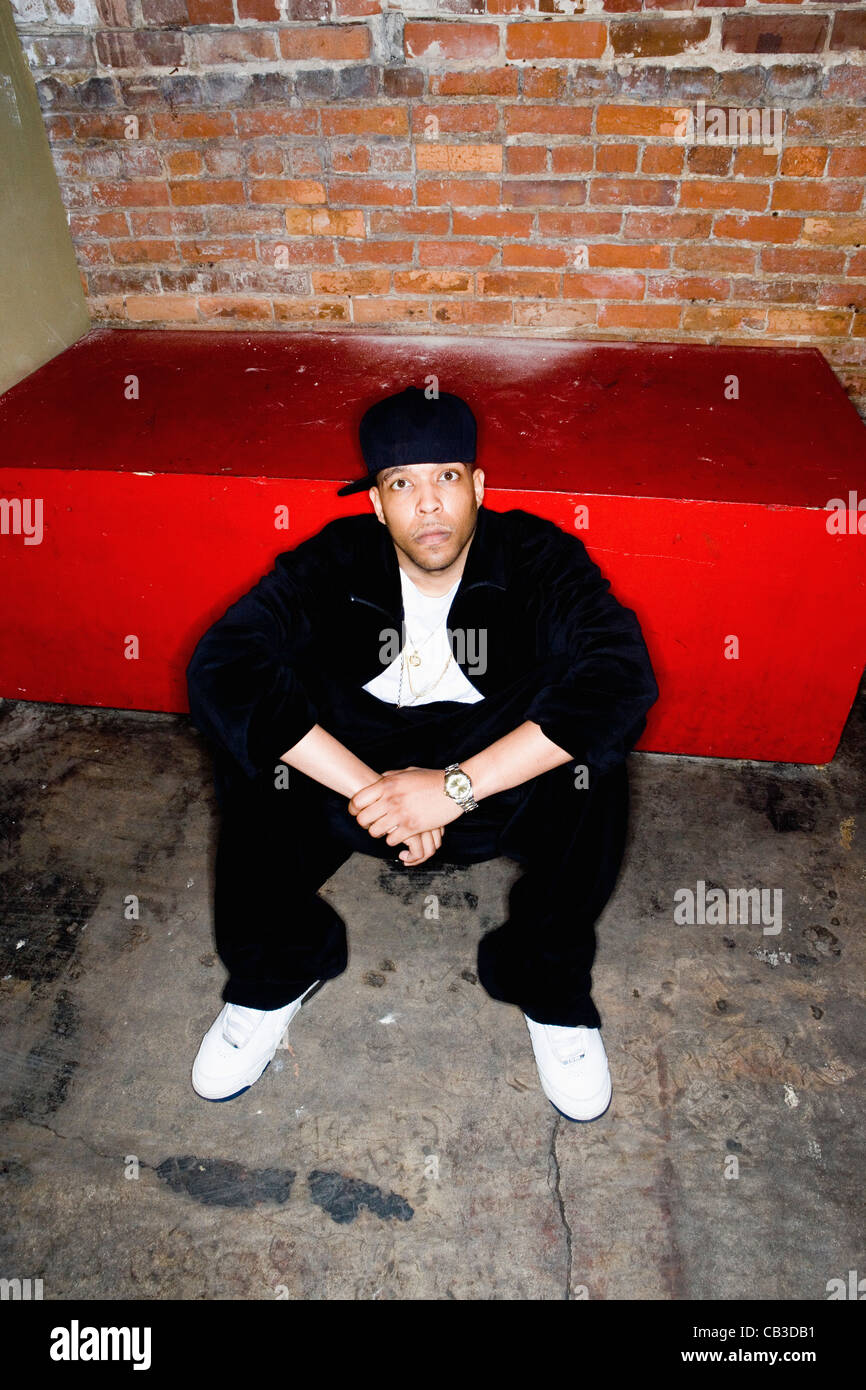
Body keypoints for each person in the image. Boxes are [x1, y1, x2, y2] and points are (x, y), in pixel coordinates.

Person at [185, 385, 659, 1120]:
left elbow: (621, 673)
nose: (428, 505)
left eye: (445, 477)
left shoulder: (537, 555)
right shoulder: (337, 558)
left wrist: (454, 788)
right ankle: (276, 975)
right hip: (358, 777)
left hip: (488, 776)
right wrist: (376, 790)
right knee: (252, 751)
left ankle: (551, 991)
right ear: (376, 504)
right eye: (401, 484)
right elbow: (223, 663)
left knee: (593, 764)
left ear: (478, 486)